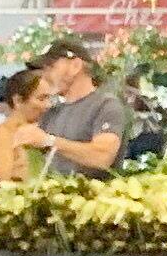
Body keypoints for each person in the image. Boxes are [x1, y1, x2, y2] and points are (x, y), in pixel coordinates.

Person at [30, 39, 127, 178]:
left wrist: (49, 141)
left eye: (51, 67)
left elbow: (103, 156)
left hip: (94, 197)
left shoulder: (106, 106)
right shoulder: (52, 112)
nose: (44, 75)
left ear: (75, 65)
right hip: (53, 196)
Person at [0, 66, 51, 184]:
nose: (48, 105)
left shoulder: (45, 128)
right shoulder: (4, 133)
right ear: (18, 101)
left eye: (49, 98)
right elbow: (5, 178)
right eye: (41, 99)